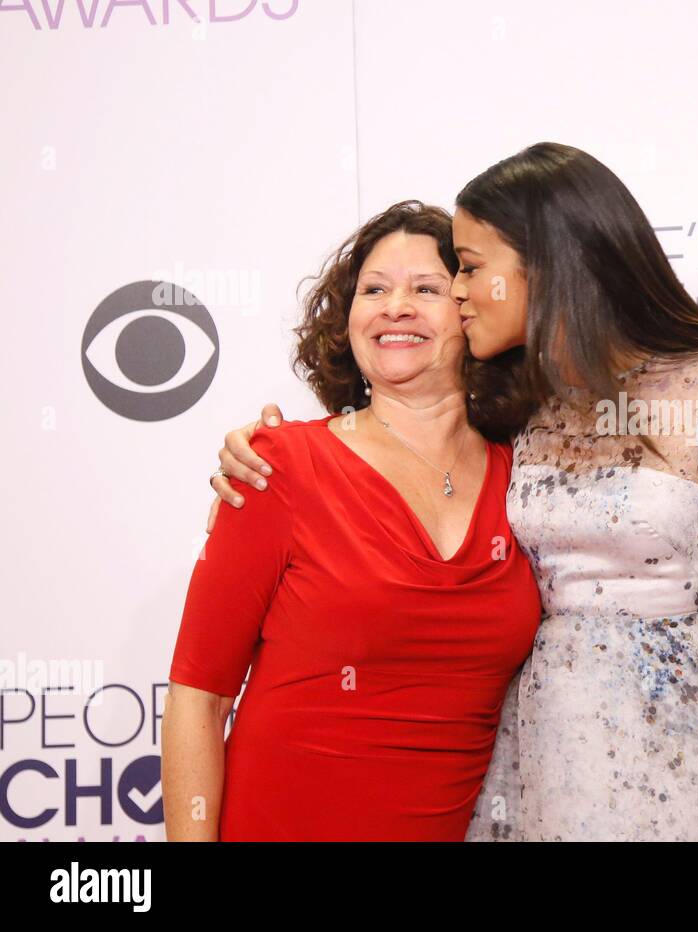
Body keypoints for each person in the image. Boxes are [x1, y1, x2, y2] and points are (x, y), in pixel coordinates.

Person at [208, 143, 698, 840]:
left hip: (697, 755)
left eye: (468, 269)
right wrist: (257, 450)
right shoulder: (524, 410)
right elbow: (399, 447)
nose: (457, 291)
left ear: (548, 263)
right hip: (542, 767)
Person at [162, 201, 542, 841]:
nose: (396, 306)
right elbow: (199, 700)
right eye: (373, 290)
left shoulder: (529, 475)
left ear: (471, 308)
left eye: (426, 288)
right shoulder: (278, 464)